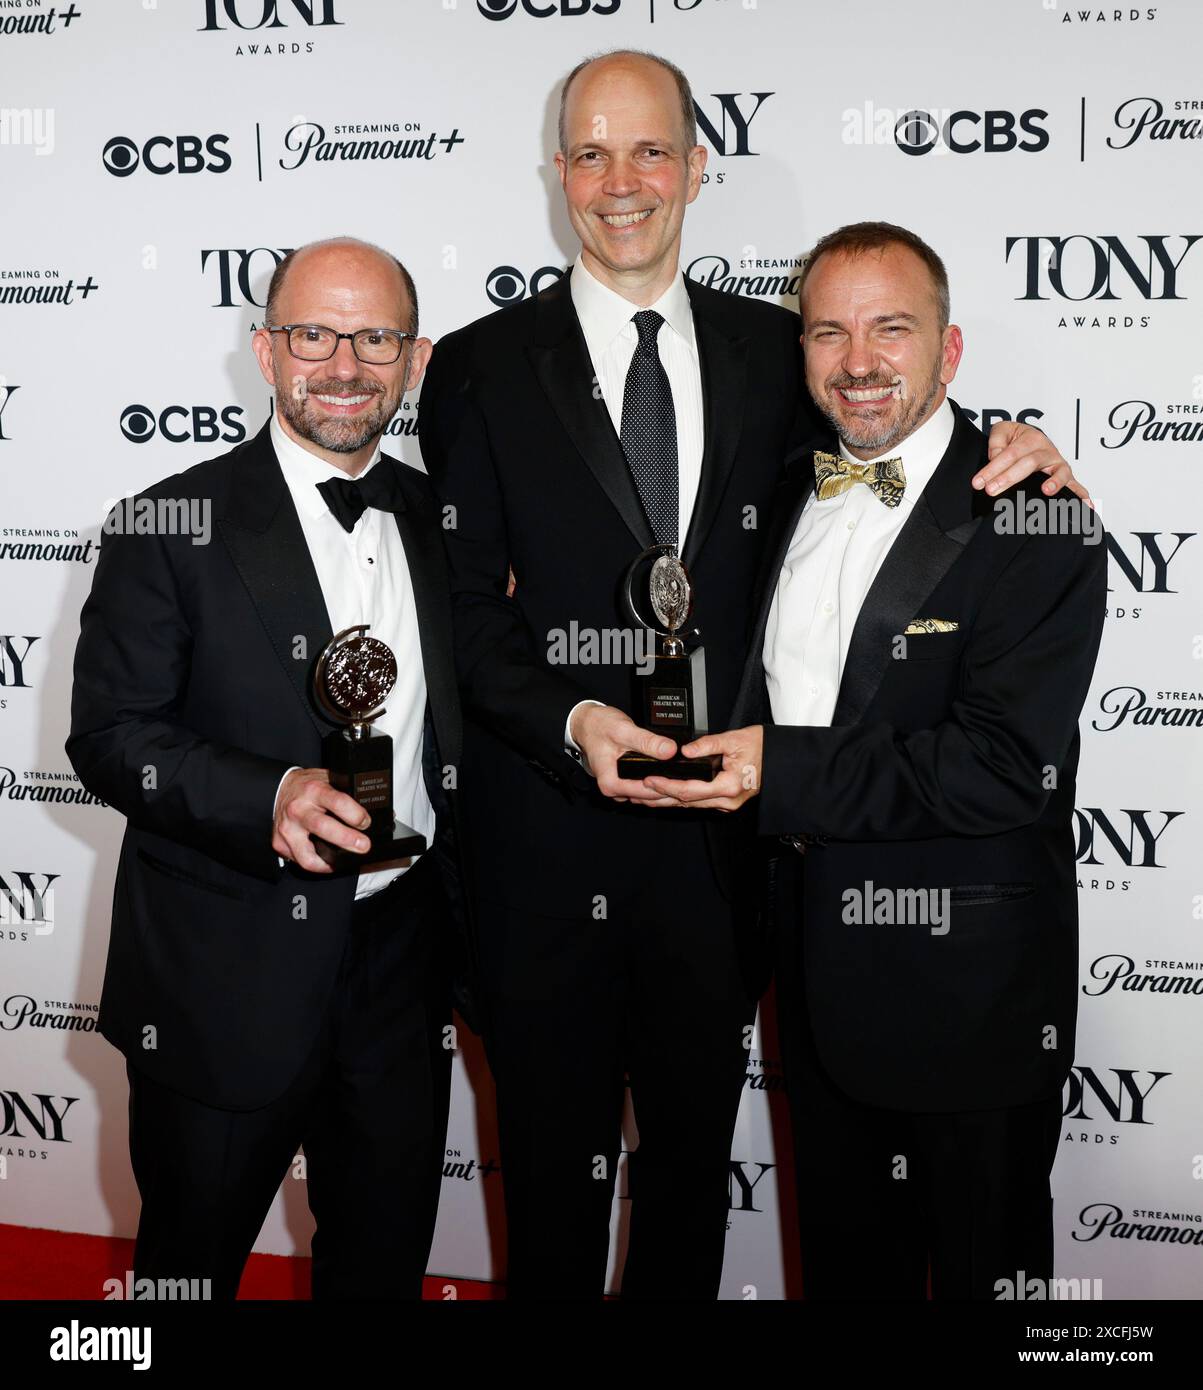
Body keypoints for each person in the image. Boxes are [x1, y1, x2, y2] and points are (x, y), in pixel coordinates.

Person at [419, 50, 1085, 1298]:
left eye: (651, 149)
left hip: (731, 867)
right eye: (592, 152)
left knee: (690, 1191)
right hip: (545, 854)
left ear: (697, 164)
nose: (623, 182)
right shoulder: (475, 364)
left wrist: (1023, 451)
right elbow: (461, 608)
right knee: (551, 1199)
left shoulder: (780, 349)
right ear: (558, 171)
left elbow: (893, 415)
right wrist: (572, 717)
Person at [646, 221, 1107, 1299]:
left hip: (970, 996)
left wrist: (780, 771)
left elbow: (1001, 766)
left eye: (892, 330)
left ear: (950, 352)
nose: (858, 362)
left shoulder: (1037, 522)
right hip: (810, 977)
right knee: (850, 1274)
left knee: (990, 1274)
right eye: (829, 333)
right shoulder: (781, 488)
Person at [67, 236, 465, 1300]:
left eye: (376, 337)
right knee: (185, 1273)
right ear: (264, 350)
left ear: (416, 360)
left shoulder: (447, 521)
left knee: (379, 1264)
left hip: (402, 959)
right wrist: (271, 794)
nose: (345, 364)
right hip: (222, 963)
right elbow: (110, 734)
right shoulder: (167, 522)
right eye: (314, 334)